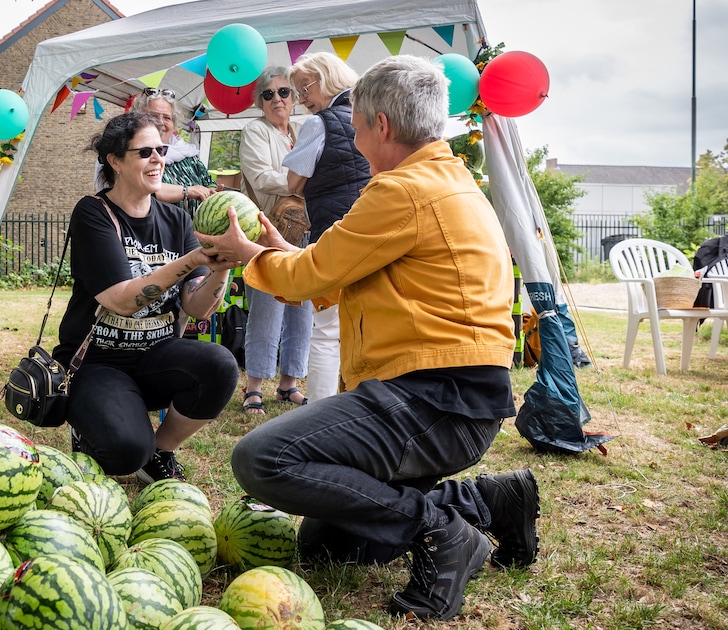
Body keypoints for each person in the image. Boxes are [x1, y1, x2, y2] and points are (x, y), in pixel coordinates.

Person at [197, 55, 540, 621]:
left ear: (381, 125)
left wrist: (247, 256)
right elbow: (334, 270)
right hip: (456, 400)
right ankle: (488, 501)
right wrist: (276, 251)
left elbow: (310, 277)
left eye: (354, 127)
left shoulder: (401, 192)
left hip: (433, 400)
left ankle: (441, 532)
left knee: (262, 460)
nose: (352, 141)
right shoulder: (444, 180)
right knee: (333, 544)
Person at [55, 112, 239, 483]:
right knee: (123, 452)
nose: (158, 159)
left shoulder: (177, 220)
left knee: (219, 365)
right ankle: (95, 425)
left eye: (161, 149)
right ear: (115, 161)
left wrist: (222, 265)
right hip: (98, 362)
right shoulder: (94, 213)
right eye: (145, 152)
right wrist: (192, 259)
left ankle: (159, 450)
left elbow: (196, 306)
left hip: (157, 355)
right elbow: (121, 300)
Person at [281, 52, 372, 402]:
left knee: (327, 330)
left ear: (327, 78)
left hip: (334, 234)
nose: (300, 99)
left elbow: (293, 183)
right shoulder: (368, 116)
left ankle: (319, 410)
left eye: (304, 88)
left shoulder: (320, 123)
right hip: (372, 228)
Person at [237, 67, 313, 414]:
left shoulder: (301, 131)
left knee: (302, 309)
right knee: (267, 309)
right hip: (267, 228)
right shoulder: (255, 130)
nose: (277, 99)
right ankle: (254, 386)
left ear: (294, 98)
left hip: (304, 230)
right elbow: (261, 177)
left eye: (284, 92)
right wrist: (303, 180)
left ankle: (288, 384)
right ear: (260, 103)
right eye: (268, 94)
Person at [128, 88, 219, 215]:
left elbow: (208, 183)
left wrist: (214, 194)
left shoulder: (188, 154)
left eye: (167, 118)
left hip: (195, 232)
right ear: (137, 119)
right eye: (153, 116)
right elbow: (144, 190)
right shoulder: (134, 153)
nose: (160, 122)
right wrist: (189, 191)